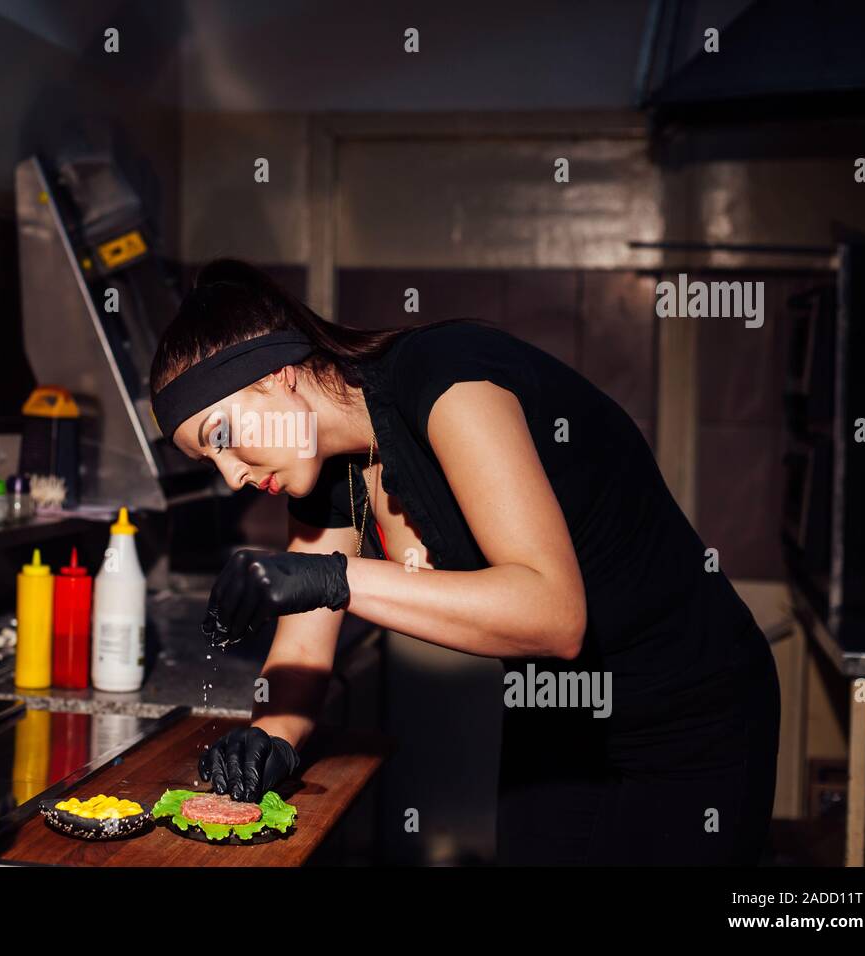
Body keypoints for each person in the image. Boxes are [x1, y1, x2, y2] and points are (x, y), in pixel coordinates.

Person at [149, 258, 780, 865]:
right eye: (211, 461)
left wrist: (335, 578)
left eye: (221, 437)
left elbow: (553, 616)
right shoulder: (322, 470)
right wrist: (272, 739)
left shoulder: (446, 378)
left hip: (690, 711)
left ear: (275, 374)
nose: (231, 476)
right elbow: (304, 653)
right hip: (557, 716)